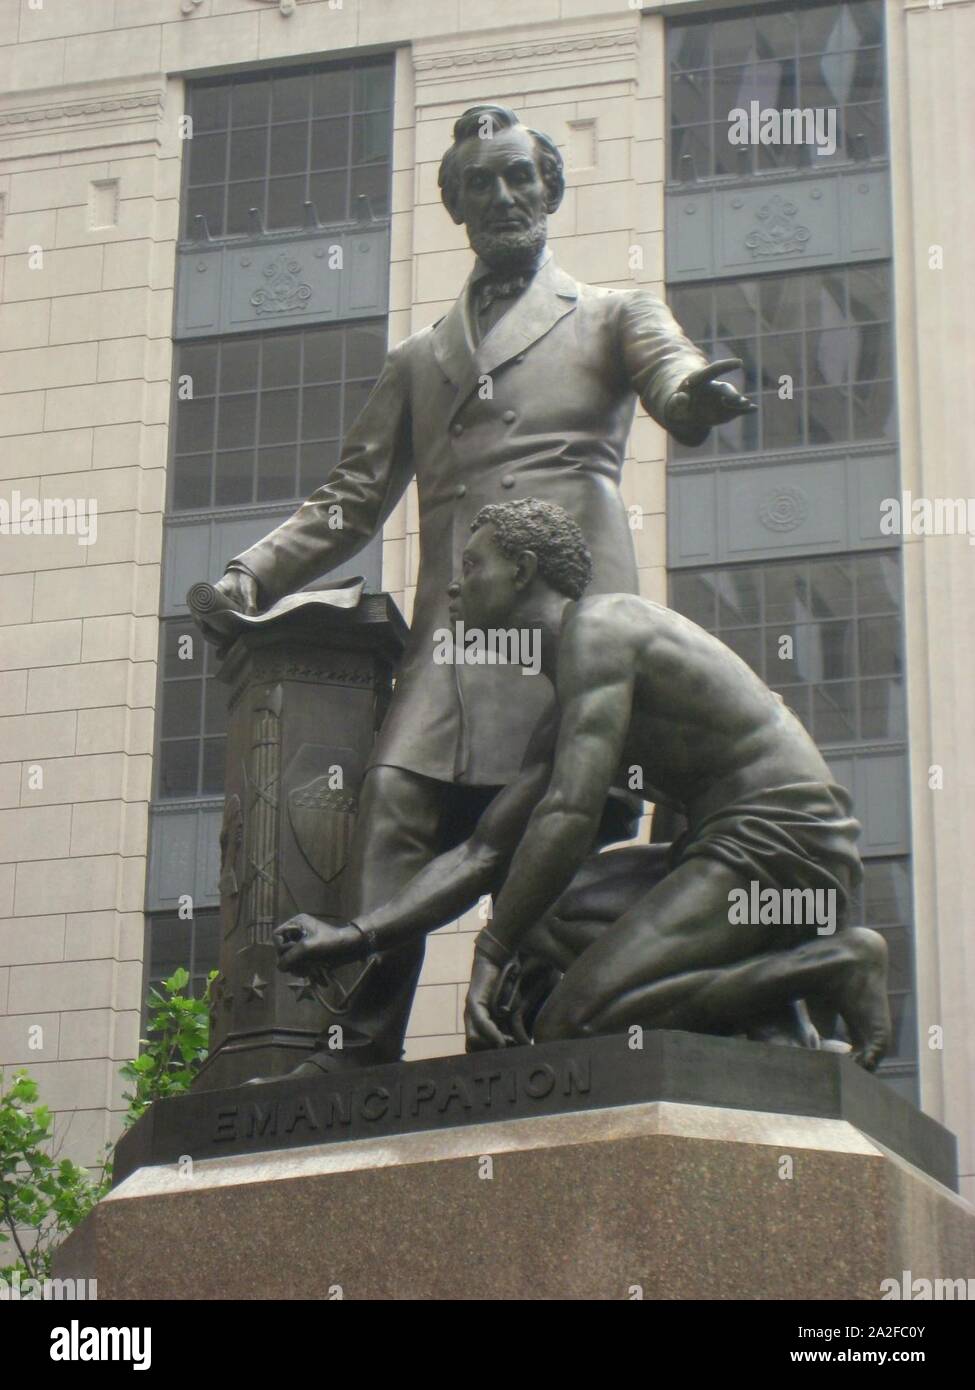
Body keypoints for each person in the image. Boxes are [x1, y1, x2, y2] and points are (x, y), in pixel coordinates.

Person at [203, 104, 754, 1075]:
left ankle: (536, 1037)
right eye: (482, 184)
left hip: (564, 632)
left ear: (550, 191)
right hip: (453, 643)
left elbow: (674, 378)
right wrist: (252, 571)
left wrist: (696, 397)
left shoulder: (614, 314)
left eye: (521, 178)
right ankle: (357, 1045)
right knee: (394, 806)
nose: (504, 196)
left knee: (564, 831)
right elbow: (350, 499)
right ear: (455, 205)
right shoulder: (420, 358)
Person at [274, 499, 890, 1071]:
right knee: (545, 912)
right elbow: (484, 853)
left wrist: (490, 954)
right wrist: (354, 937)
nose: (453, 586)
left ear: (523, 570)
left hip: (786, 851)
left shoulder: (602, 630)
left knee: (574, 1025)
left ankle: (834, 965)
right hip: (728, 854)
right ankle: (772, 1015)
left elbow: (569, 814)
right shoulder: (568, 694)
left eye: (471, 565)